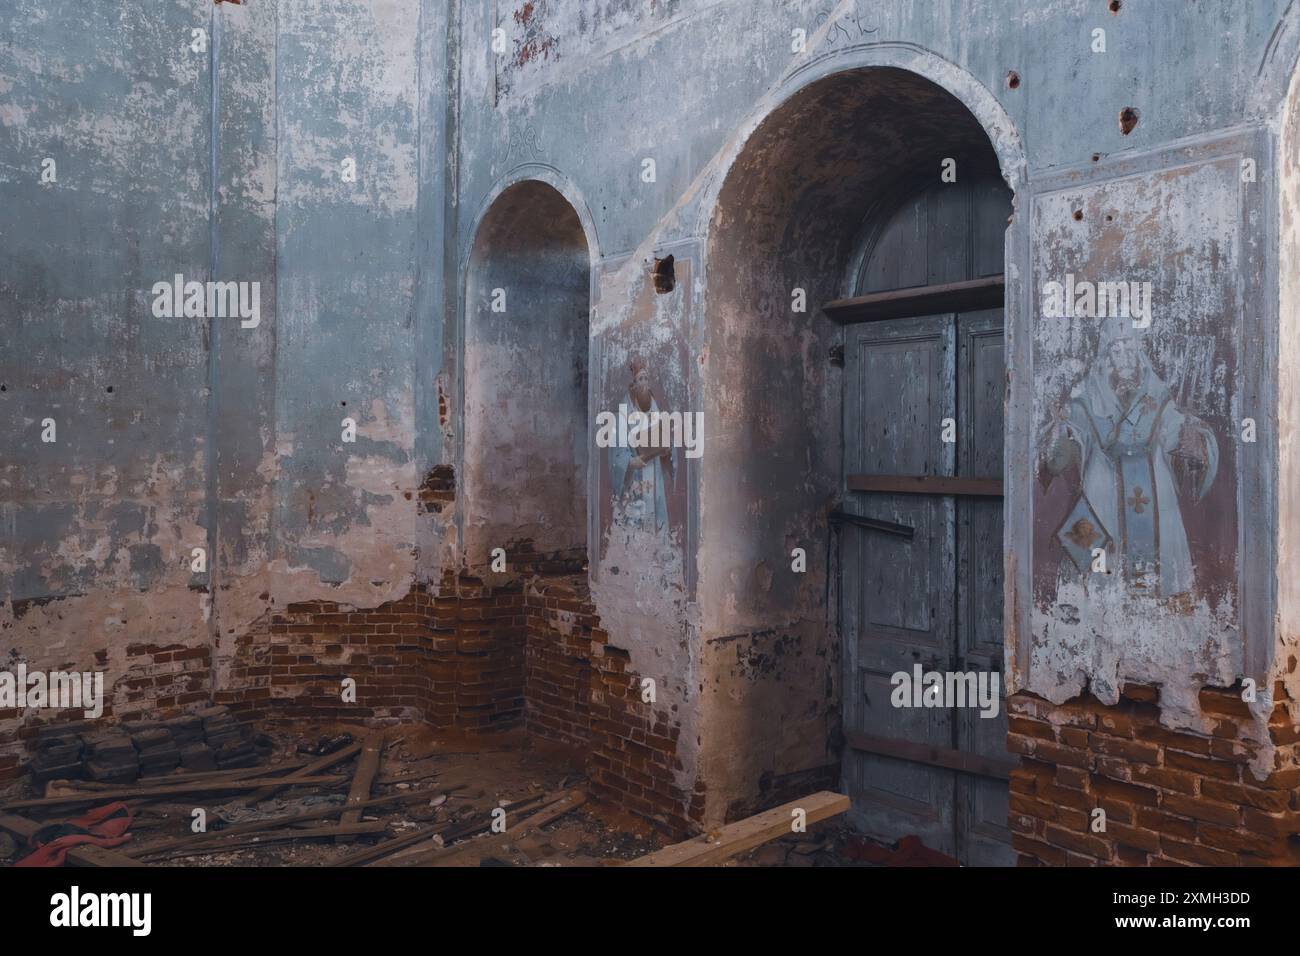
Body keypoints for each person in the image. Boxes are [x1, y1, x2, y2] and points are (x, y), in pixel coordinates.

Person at [1042, 316, 1217, 598]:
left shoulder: (1158, 397)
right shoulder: (1085, 399)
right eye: (1116, 350)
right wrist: (1060, 431)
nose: (1123, 357)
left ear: (1139, 351)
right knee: (1095, 591)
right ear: (1106, 356)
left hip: (1157, 503)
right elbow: (1059, 457)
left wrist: (1194, 442)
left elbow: (1177, 435)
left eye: (1129, 348)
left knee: (1162, 590)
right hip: (1102, 502)